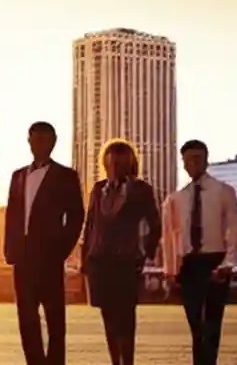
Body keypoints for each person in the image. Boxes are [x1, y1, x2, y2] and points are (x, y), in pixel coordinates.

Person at [3, 121, 84, 365]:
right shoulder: (18, 176)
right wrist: (10, 249)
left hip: (49, 257)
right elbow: (12, 214)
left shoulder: (66, 176)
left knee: (55, 318)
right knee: (26, 318)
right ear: (28, 142)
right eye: (35, 140)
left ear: (53, 142)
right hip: (22, 258)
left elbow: (76, 216)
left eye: (45, 140)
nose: (39, 145)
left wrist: (61, 250)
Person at [162, 139, 237, 365]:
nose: (193, 163)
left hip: (215, 261)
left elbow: (234, 228)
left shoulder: (224, 191)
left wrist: (228, 263)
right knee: (196, 325)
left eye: (198, 158)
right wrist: (170, 271)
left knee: (212, 324)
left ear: (206, 160)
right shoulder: (175, 199)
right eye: (188, 160)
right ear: (183, 163)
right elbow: (169, 237)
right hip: (189, 265)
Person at [80, 139, 161, 365]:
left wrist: (146, 253)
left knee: (126, 318)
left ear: (129, 163)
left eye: (119, 160)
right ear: (104, 162)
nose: (114, 165)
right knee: (108, 317)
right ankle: (115, 361)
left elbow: (155, 224)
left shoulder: (141, 190)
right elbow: (90, 225)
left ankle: (128, 361)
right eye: (110, 160)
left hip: (126, 261)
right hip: (99, 261)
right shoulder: (98, 189)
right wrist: (84, 258)